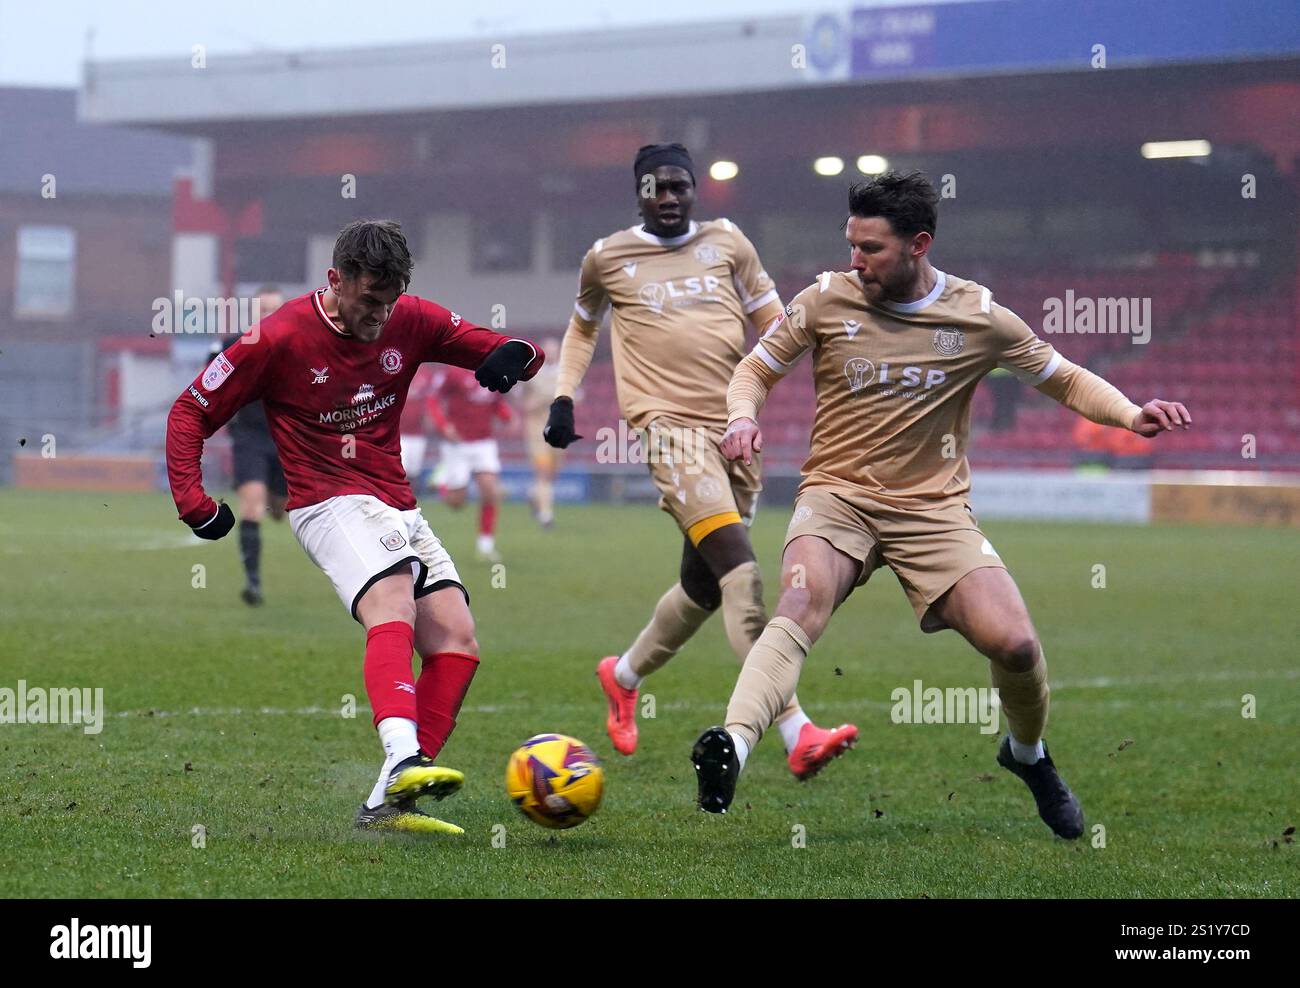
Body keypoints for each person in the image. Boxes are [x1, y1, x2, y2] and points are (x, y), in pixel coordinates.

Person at [692, 173, 1190, 837]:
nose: (855, 260)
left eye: (871, 248)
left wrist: (1130, 413)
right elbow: (755, 369)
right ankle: (736, 744)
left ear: (918, 244)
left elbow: (1061, 377)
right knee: (799, 602)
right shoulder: (823, 300)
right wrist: (741, 417)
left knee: (1015, 645)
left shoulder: (977, 316)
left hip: (933, 513)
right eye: (851, 244)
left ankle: (1026, 755)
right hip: (838, 495)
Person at [166, 219, 543, 835]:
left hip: (395, 500)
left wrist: (516, 357)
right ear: (335, 280)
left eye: (390, 299)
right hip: (323, 501)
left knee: (456, 639)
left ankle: (385, 808)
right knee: (392, 595)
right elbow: (191, 410)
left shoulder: (408, 317)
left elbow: (500, 347)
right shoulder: (276, 337)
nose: (381, 314)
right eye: (370, 299)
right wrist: (193, 500)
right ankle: (402, 756)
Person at [545, 143, 858, 776]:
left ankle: (623, 674)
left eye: (678, 186)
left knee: (702, 587)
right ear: (638, 192)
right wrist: (562, 395)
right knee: (741, 571)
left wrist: (822, 366)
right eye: (654, 188)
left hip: (734, 431)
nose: (667, 197)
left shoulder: (729, 243)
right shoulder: (607, 258)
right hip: (667, 431)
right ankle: (795, 731)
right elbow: (582, 329)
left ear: (695, 190)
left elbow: (774, 321)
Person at [214, 285, 286, 605]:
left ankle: (278, 499)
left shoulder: (299, 346)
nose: (269, 315)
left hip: (287, 438)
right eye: (263, 309)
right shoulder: (233, 346)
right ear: (253, 314)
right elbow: (211, 382)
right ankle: (253, 583)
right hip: (248, 438)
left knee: (280, 509)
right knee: (252, 505)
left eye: (275, 309)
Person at [427, 364, 512, 562]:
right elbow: (433, 399)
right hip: (457, 444)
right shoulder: (454, 372)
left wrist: (506, 416)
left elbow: (495, 401)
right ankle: (441, 480)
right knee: (456, 503)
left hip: (484, 442)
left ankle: (485, 546)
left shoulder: (496, 372)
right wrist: (443, 425)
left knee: (490, 491)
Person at [519, 335, 563, 528]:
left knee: (552, 474)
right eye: (549, 350)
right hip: (537, 430)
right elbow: (524, 404)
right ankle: (546, 515)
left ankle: (533, 495)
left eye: (555, 350)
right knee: (543, 471)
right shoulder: (532, 374)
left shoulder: (566, 372)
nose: (552, 354)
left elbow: (576, 398)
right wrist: (541, 401)